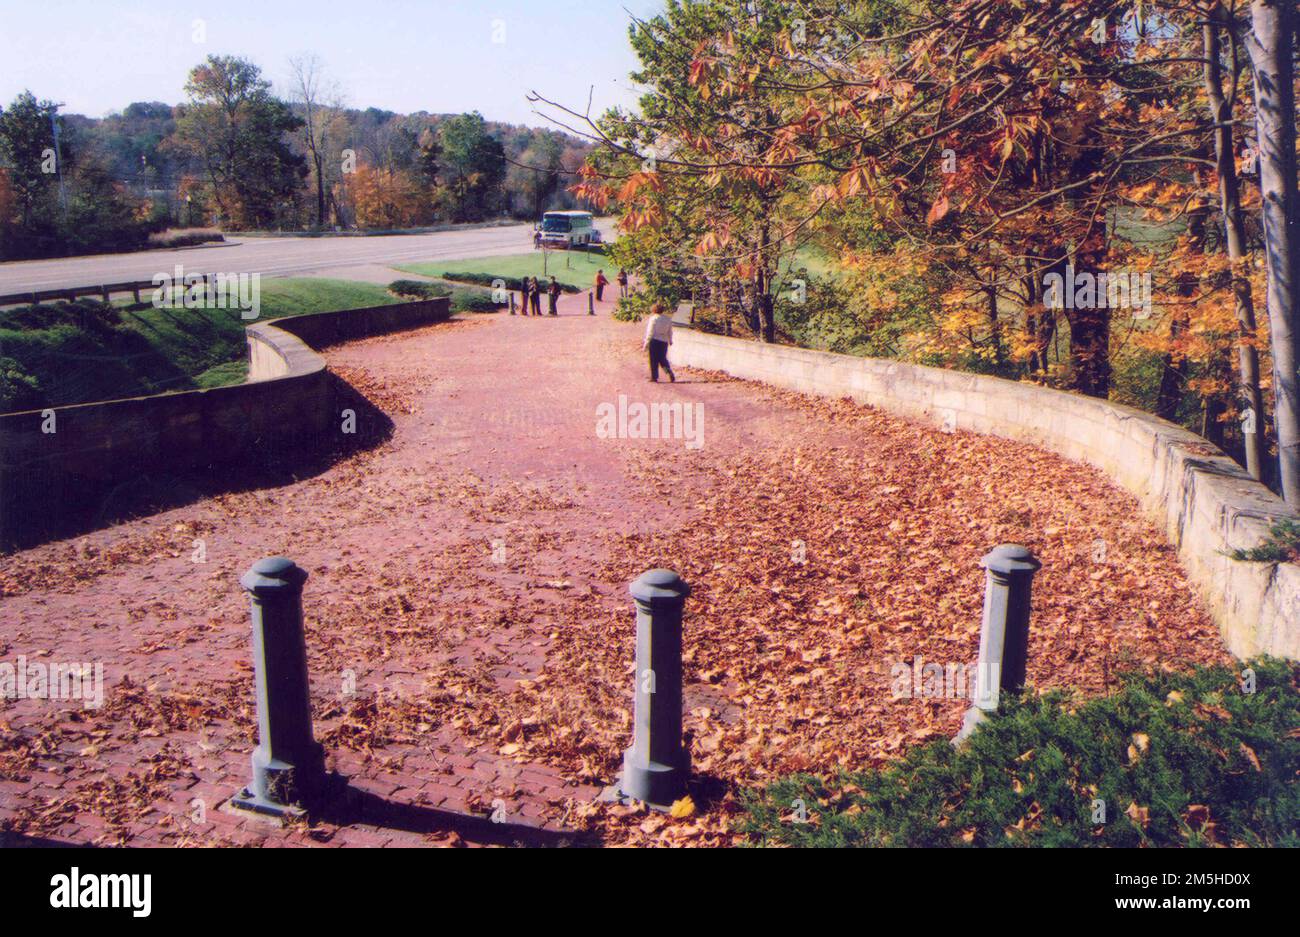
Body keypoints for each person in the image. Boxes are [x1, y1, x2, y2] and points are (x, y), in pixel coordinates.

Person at [642, 302, 675, 383]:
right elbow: (670, 331)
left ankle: (654, 377)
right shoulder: (668, 319)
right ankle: (668, 371)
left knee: (653, 359)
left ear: (653, 310)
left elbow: (650, 332)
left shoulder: (653, 319)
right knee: (662, 358)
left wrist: (646, 344)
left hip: (655, 340)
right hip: (664, 341)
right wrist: (670, 340)